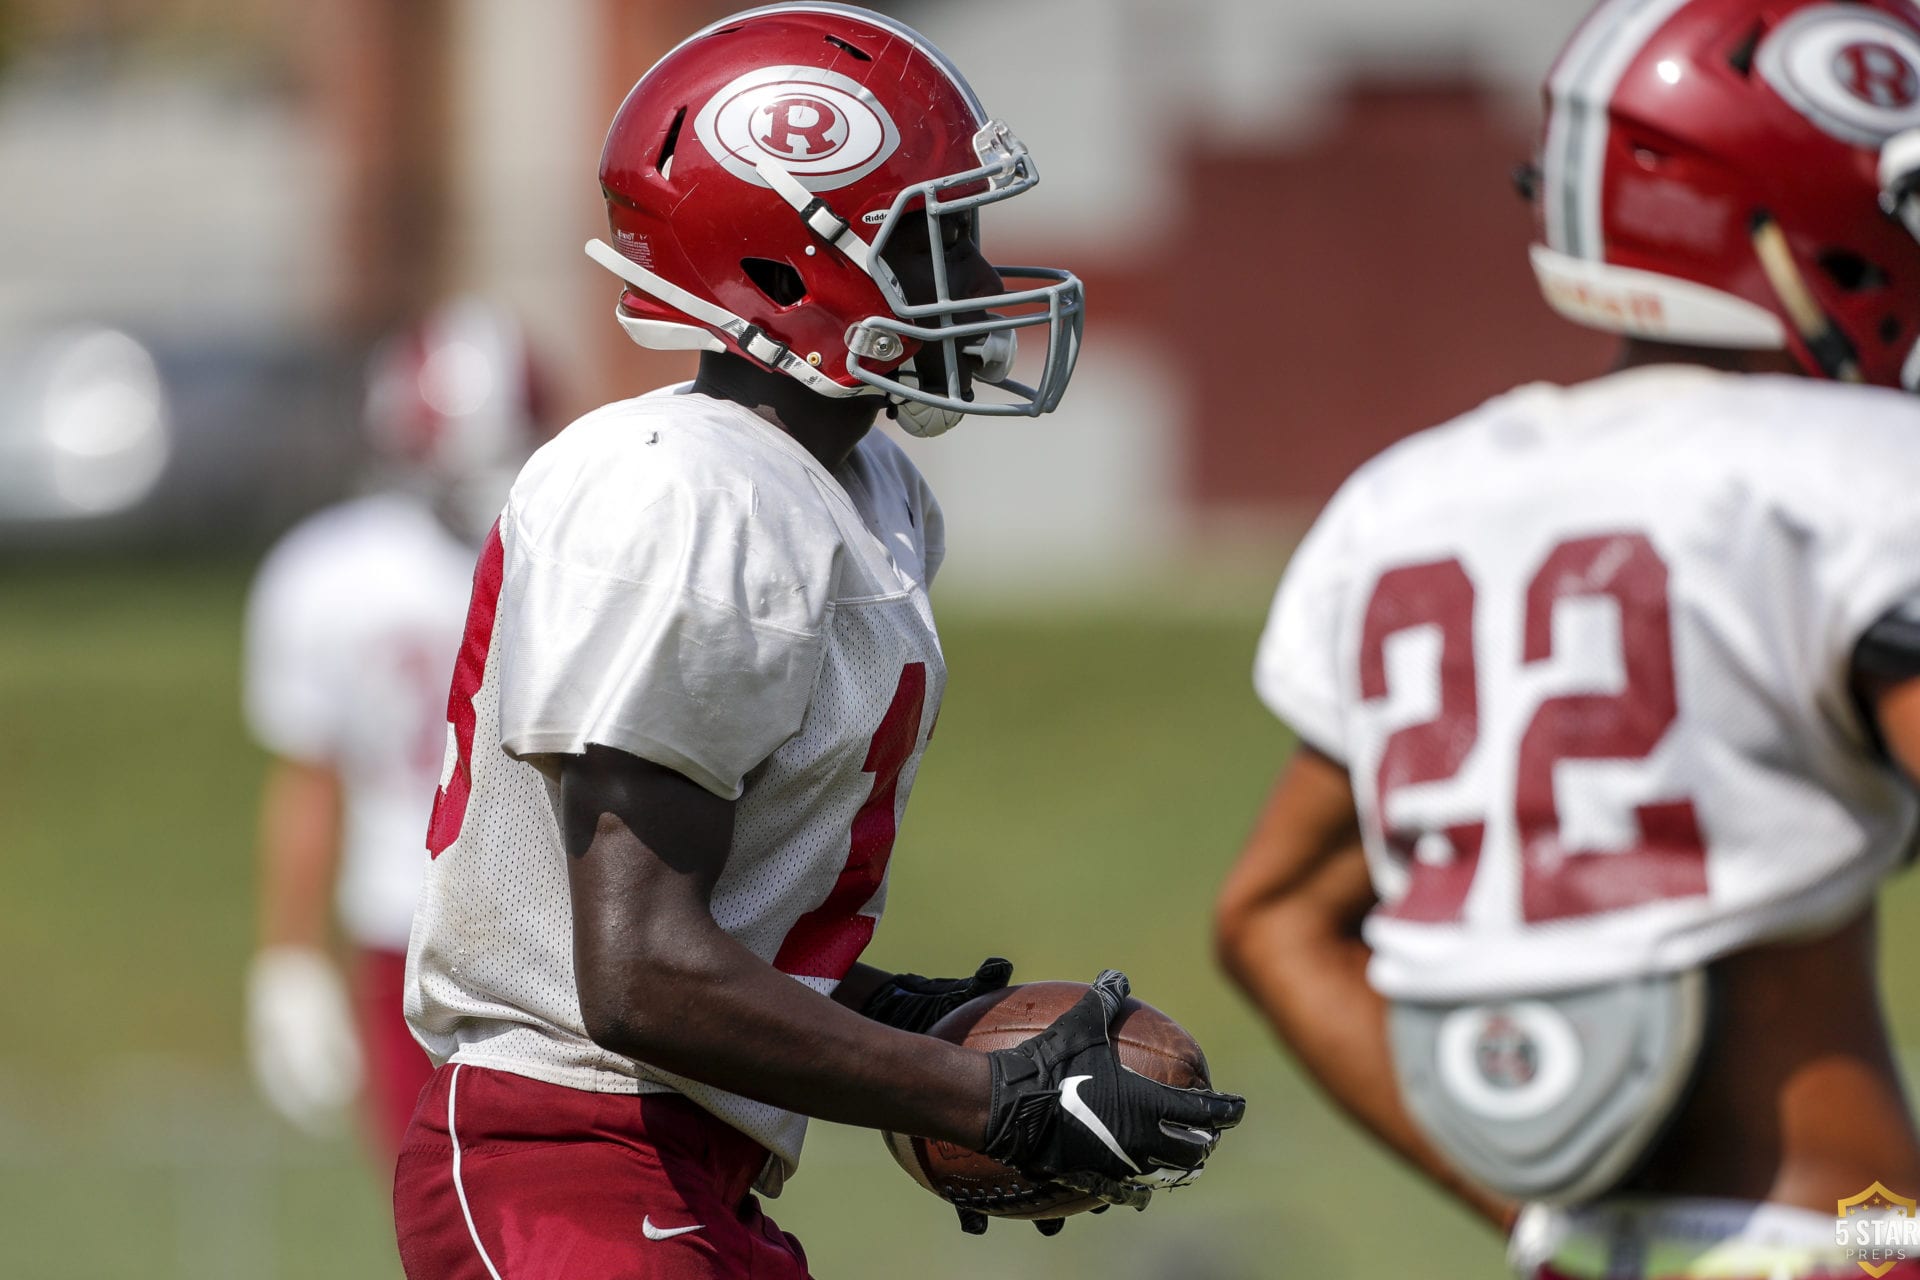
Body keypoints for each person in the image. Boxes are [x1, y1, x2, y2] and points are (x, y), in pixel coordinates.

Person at [391, 6, 1244, 1277]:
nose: (976, 279)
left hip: (688, 1168)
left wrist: (910, 1014)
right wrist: (990, 1097)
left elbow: (713, 931)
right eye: (934, 239)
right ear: (790, 265)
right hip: (563, 1153)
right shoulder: (680, 491)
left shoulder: (861, 488)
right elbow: (638, 975)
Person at [1215, 0, 1920, 1276]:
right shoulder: (1863, 470)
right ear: (1795, 216)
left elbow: (1274, 912)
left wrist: (1543, 1225)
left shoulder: (1407, 499)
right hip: (1853, 1241)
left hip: (1588, 1257)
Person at [243, 297, 544, 1155]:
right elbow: (313, 778)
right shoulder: (332, 574)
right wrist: (289, 959)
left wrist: (289, 957)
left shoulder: (330, 570)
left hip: (525, 928)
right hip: (425, 926)